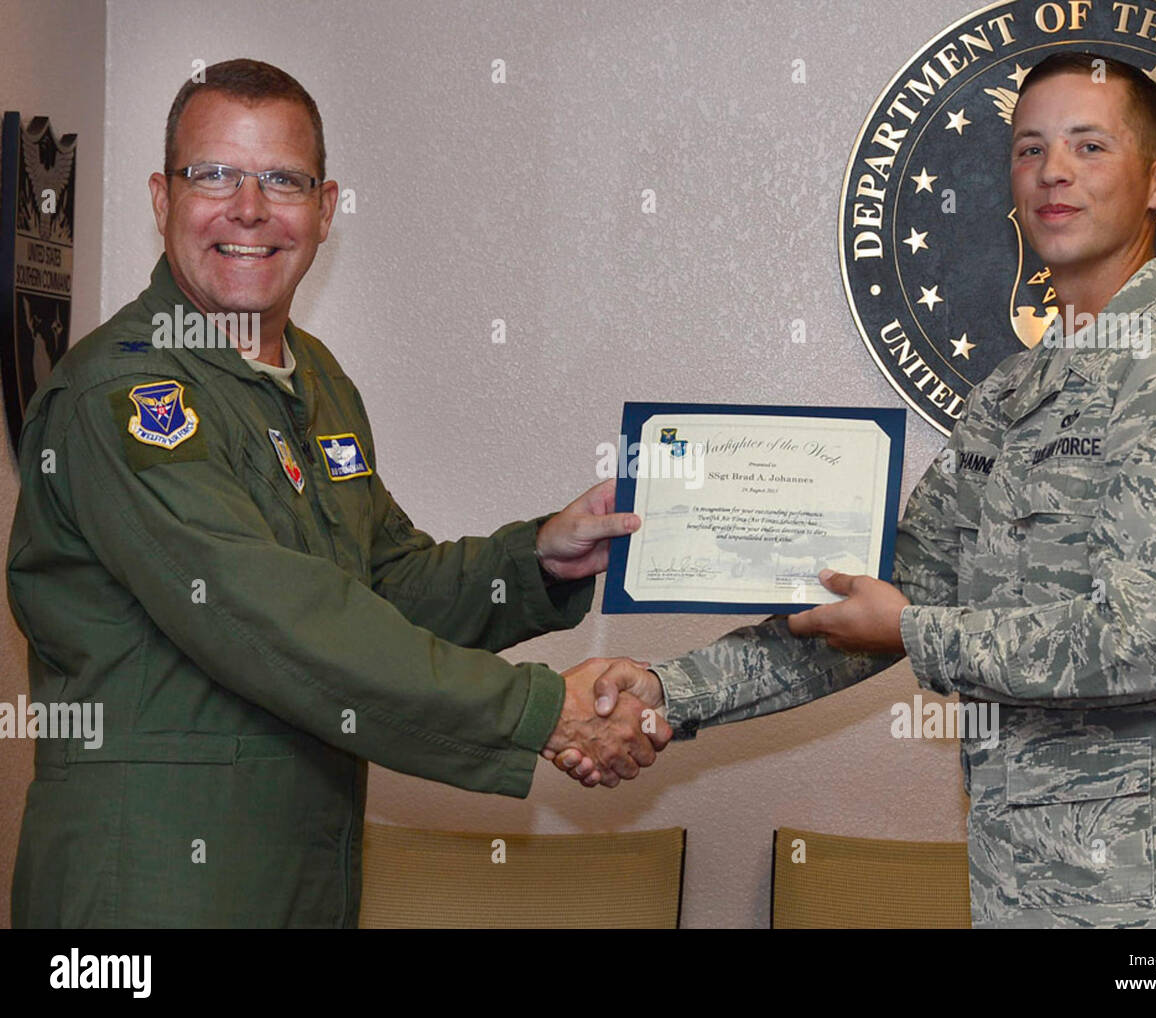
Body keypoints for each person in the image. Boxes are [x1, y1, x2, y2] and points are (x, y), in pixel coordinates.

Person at [551, 52, 1156, 928]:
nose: (1053, 172)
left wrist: (910, 628)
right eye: (1029, 149)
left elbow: (1145, 639)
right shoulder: (1008, 398)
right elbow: (877, 602)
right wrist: (665, 692)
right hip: (1029, 894)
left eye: (1089, 146)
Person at [5, 58, 666, 929]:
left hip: (306, 877)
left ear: (324, 210)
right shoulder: (122, 394)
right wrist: (543, 711)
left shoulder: (315, 378)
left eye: (282, 180)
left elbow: (381, 588)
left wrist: (537, 558)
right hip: (152, 889)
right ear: (164, 200)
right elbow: (276, 617)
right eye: (214, 174)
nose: (249, 208)